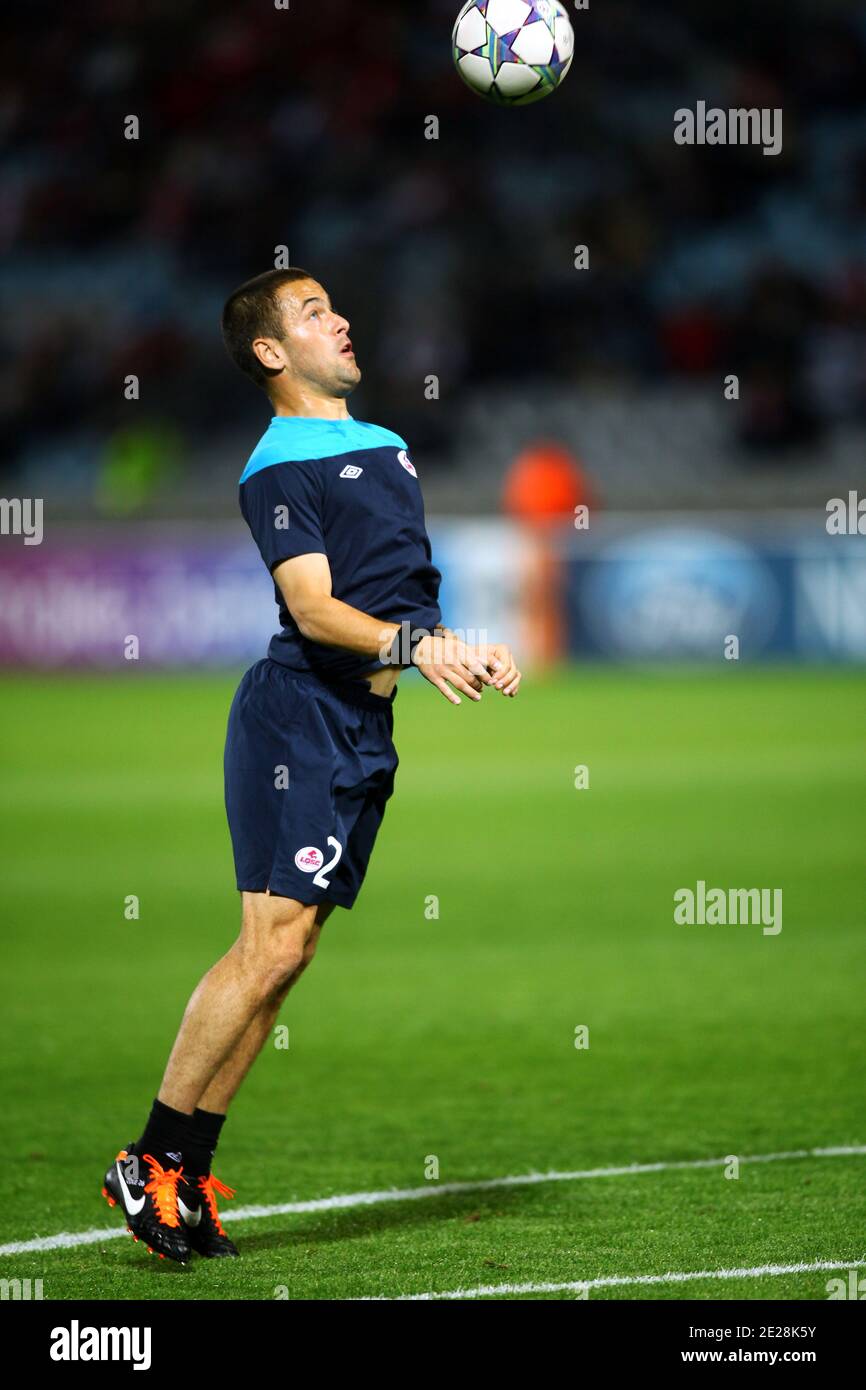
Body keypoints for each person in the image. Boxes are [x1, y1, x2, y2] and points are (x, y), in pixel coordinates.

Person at [101, 267, 522, 1262]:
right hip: (299, 722)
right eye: (309, 311)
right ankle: (150, 1159)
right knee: (266, 947)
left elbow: (392, 595)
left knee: (286, 960)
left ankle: (190, 1169)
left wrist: (454, 641)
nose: (336, 316)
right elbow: (316, 610)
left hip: (361, 729)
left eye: (334, 303)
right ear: (268, 351)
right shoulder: (277, 465)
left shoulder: (382, 445)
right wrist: (417, 650)